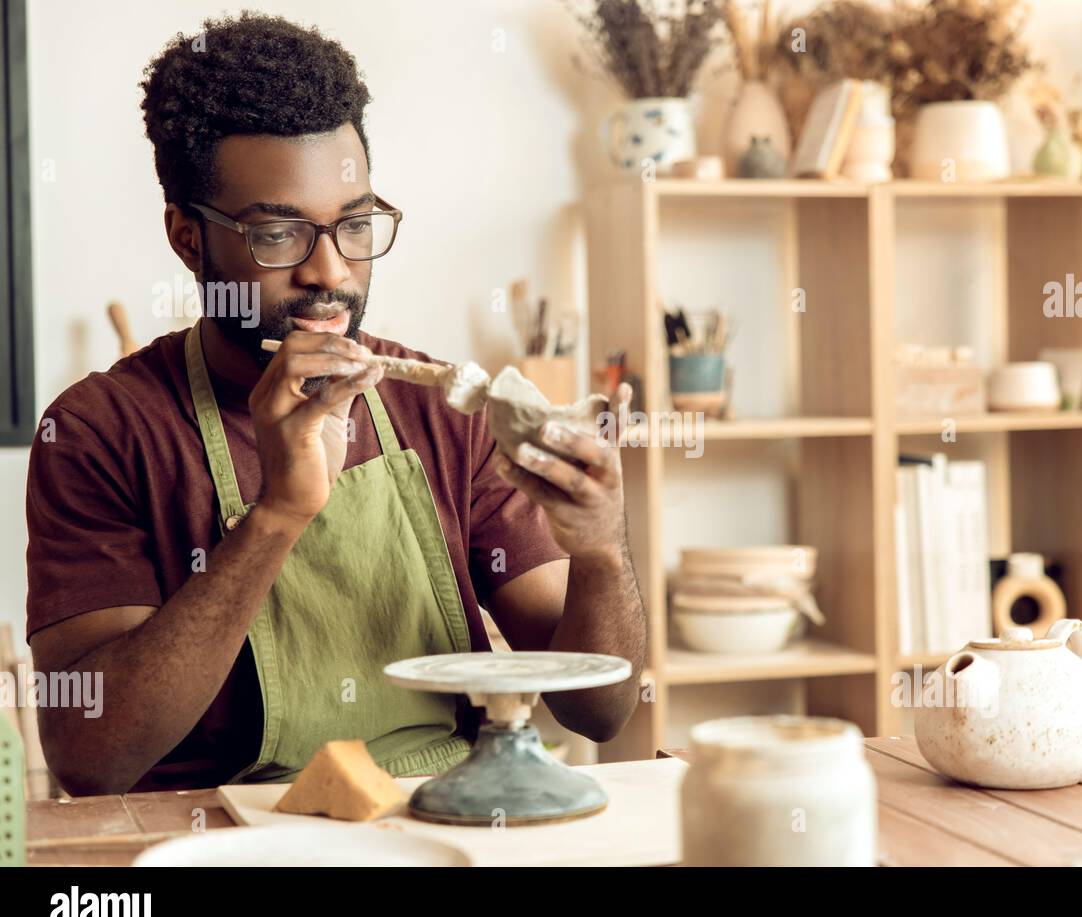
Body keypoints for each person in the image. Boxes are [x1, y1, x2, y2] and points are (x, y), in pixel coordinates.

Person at [25, 12, 646, 795]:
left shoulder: (443, 412)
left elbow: (599, 710)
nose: (330, 272)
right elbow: (91, 757)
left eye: (354, 225)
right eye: (278, 234)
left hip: (440, 813)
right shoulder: (99, 431)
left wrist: (600, 554)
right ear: (187, 238)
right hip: (221, 831)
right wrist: (278, 516)